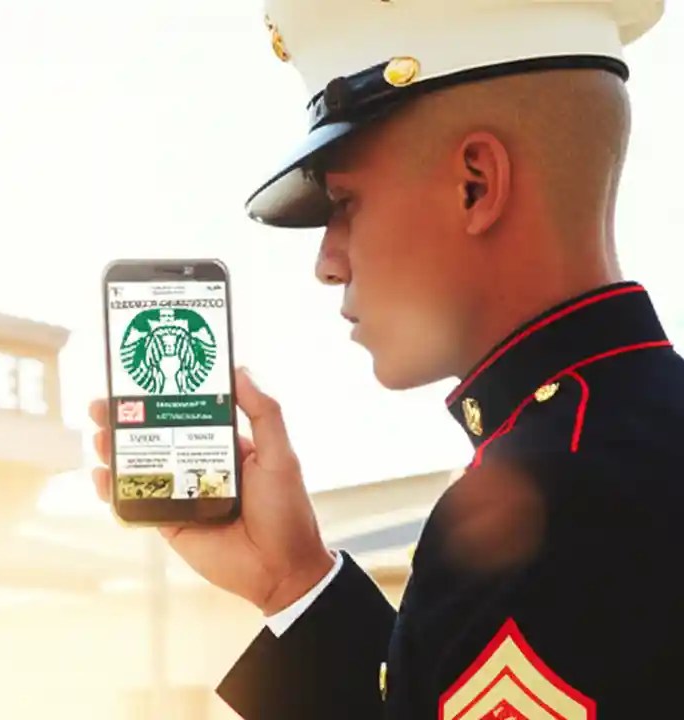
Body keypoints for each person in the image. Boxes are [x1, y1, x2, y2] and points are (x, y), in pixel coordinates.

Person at [89, 0, 679, 717]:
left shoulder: (560, 513)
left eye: (345, 204)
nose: (328, 263)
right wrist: (292, 581)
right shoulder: (624, 455)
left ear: (475, 185)